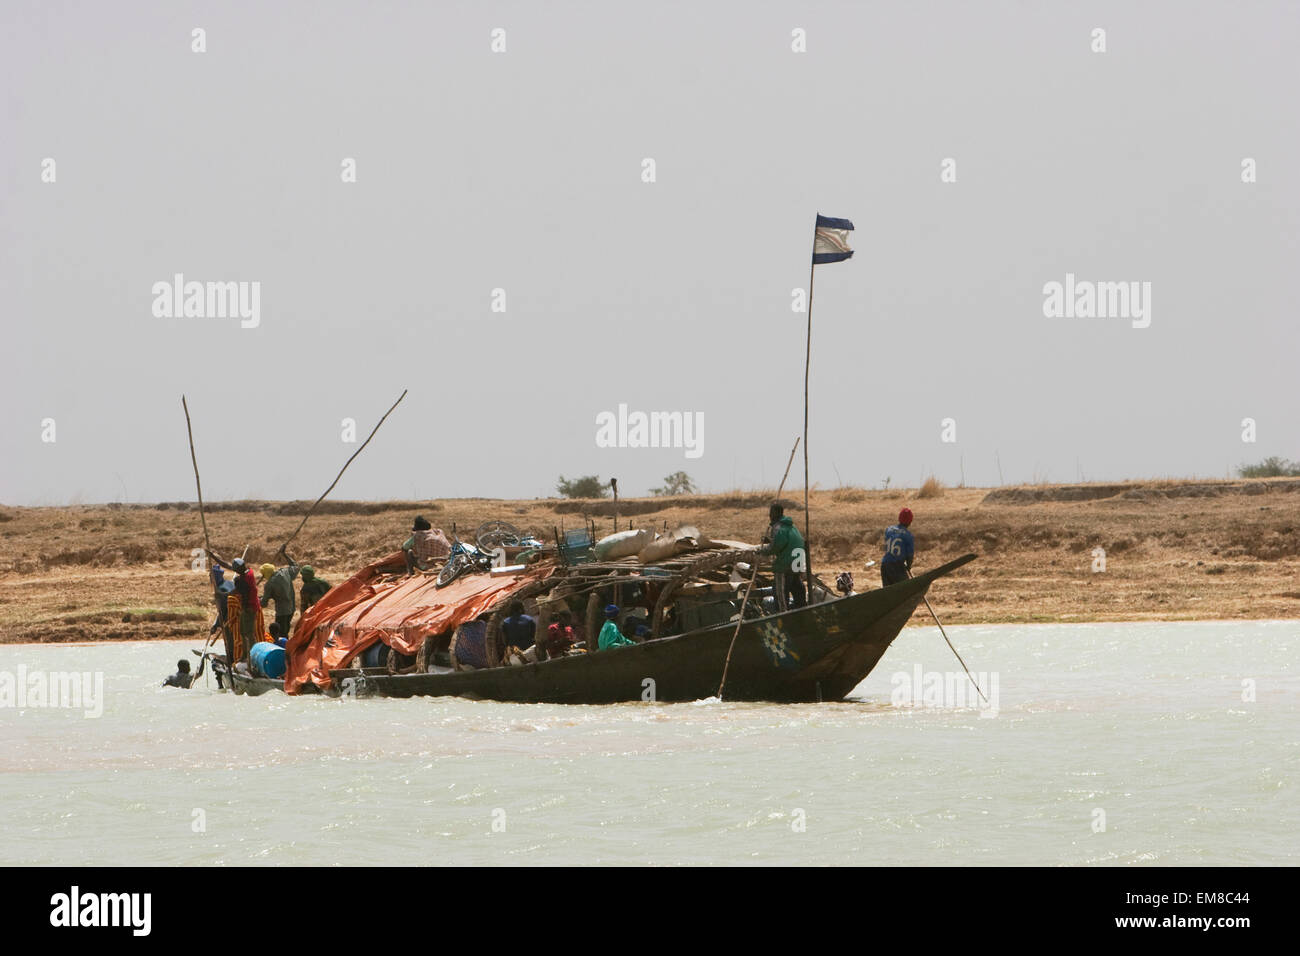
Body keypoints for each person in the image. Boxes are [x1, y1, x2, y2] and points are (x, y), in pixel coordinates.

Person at [760, 504, 806, 611]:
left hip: (785, 564)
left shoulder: (777, 527)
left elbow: (775, 547)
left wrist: (762, 551)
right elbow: (786, 541)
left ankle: (782, 615)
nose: (769, 515)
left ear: (775, 514)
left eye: (771, 512)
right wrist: (770, 541)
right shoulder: (791, 527)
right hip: (797, 562)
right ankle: (802, 609)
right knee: (796, 587)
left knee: (779, 591)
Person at [260, 559, 299, 640]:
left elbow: (264, 603)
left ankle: (282, 649)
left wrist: (257, 599)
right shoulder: (285, 572)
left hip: (282, 611)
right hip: (291, 608)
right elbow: (296, 566)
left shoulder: (269, 584)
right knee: (286, 631)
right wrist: (285, 555)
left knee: (280, 634)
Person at [881, 508, 915, 587]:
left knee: (888, 591)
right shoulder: (908, 535)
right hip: (897, 566)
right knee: (905, 588)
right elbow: (910, 555)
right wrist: (908, 566)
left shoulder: (888, 529)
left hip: (885, 565)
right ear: (910, 522)